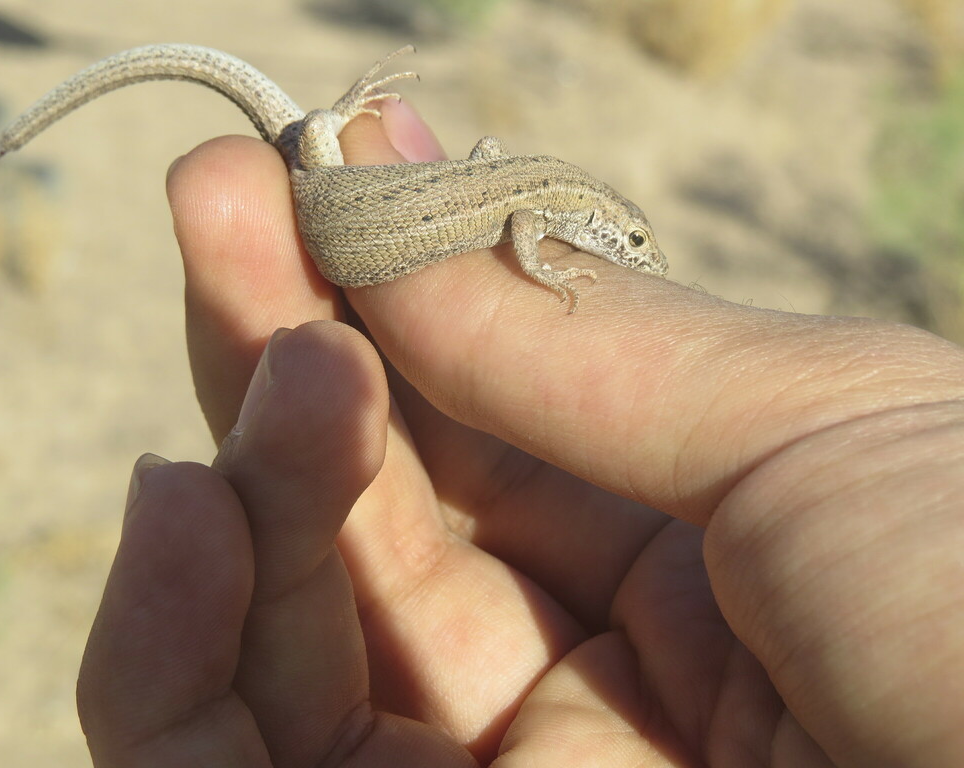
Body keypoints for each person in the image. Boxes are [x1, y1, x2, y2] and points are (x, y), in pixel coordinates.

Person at [75, 100, 964, 767]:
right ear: (589, 217)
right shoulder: (535, 210)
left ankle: (332, 126)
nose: (635, 258)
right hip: (368, 220)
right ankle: (333, 122)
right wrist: (539, 273)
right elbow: (523, 226)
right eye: (627, 240)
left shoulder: (531, 185)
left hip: (373, 217)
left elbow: (492, 161)